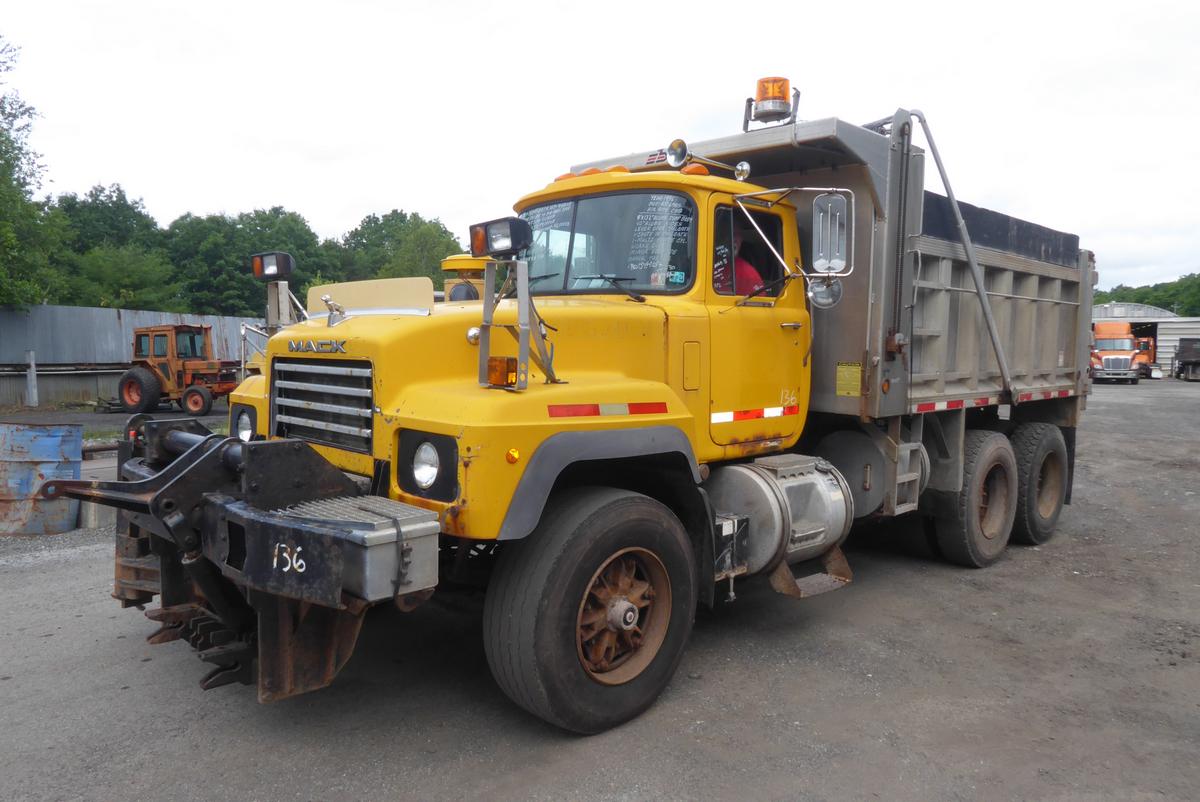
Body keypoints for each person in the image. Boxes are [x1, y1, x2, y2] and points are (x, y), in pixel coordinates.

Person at [731, 227, 765, 295]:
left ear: (741, 240)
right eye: (731, 234)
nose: (734, 239)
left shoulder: (748, 273)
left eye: (738, 235)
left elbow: (758, 300)